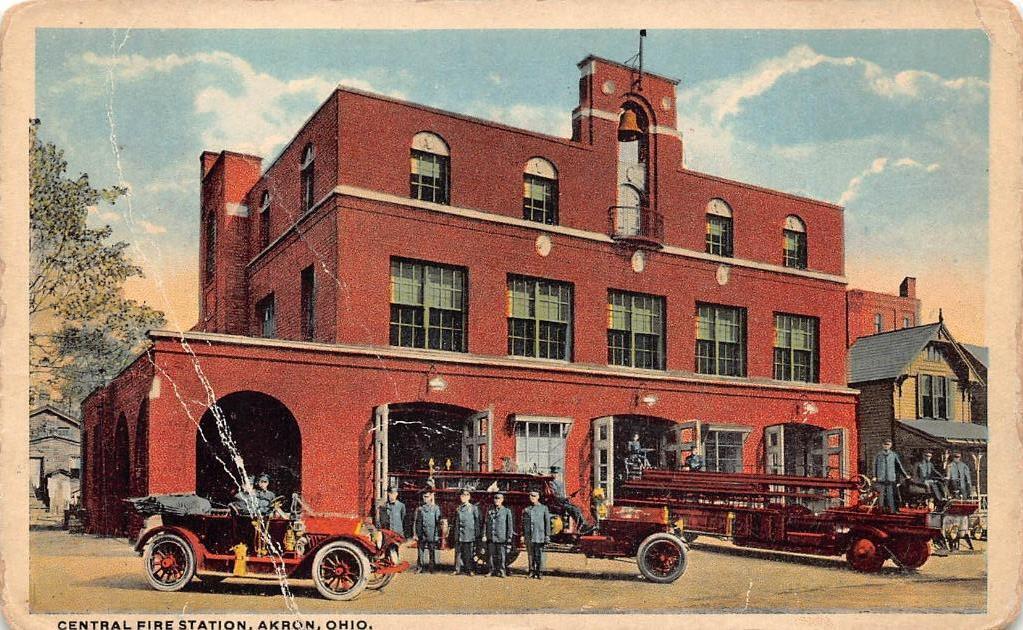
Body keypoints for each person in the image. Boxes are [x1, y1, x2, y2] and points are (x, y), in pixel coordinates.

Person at [548, 466, 591, 532]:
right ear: (551, 473)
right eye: (553, 473)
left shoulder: (560, 483)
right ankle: (582, 526)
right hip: (556, 503)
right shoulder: (550, 483)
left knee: (577, 508)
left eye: (556, 473)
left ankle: (582, 525)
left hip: (563, 502)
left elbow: (562, 494)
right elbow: (554, 496)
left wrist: (568, 497)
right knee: (573, 509)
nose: (555, 475)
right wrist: (565, 498)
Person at [873, 439, 909, 513]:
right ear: (882, 445)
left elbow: (899, 466)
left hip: (890, 478)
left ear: (890, 445)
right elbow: (874, 466)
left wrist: (905, 475)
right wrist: (874, 476)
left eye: (888, 444)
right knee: (881, 496)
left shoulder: (893, 455)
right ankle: (880, 511)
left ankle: (892, 511)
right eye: (885, 444)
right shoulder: (878, 455)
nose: (886, 446)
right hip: (881, 478)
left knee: (891, 495)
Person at [522, 490, 551, 579]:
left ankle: (539, 572)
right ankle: (531, 571)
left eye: (534, 496)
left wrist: (547, 536)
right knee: (530, 555)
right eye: (530, 496)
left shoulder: (543, 508)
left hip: (539, 535)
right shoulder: (526, 509)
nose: (532, 497)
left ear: (538, 497)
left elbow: (547, 523)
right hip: (529, 535)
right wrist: (523, 535)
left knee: (539, 554)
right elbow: (523, 524)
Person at [452, 488, 481, 576]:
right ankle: (457, 570)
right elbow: (455, 522)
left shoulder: (473, 508)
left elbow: (477, 521)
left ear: (469, 497)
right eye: (462, 496)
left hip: (469, 534)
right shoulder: (458, 508)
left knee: (469, 553)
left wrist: (476, 534)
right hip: (459, 534)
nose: (463, 497)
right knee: (458, 553)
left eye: (465, 496)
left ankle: (469, 570)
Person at [484, 492, 513, 577]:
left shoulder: (507, 511)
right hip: (491, 537)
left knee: (502, 556)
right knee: (491, 556)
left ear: (502, 500)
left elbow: (509, 526)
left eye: (499, 498)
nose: (497, 500)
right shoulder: (490, 511)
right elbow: (486, 523)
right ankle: (491, 571)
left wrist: (509, 537)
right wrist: (484, 535)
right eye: (495, 498)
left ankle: (502, 571)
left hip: (501, 537)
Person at [412, 490, 442, 573]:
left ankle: (432, 568)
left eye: (427, 497)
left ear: (431, 497)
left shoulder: (435, 508)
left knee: (431, 551)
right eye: (424, 497)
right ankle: (420, 567)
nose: (425, 499)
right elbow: (415, 522)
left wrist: (436, 535)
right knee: (420, 551)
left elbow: (438, 523)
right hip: (421, 534)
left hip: (431, 534)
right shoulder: (419, 509)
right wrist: (415, 534)